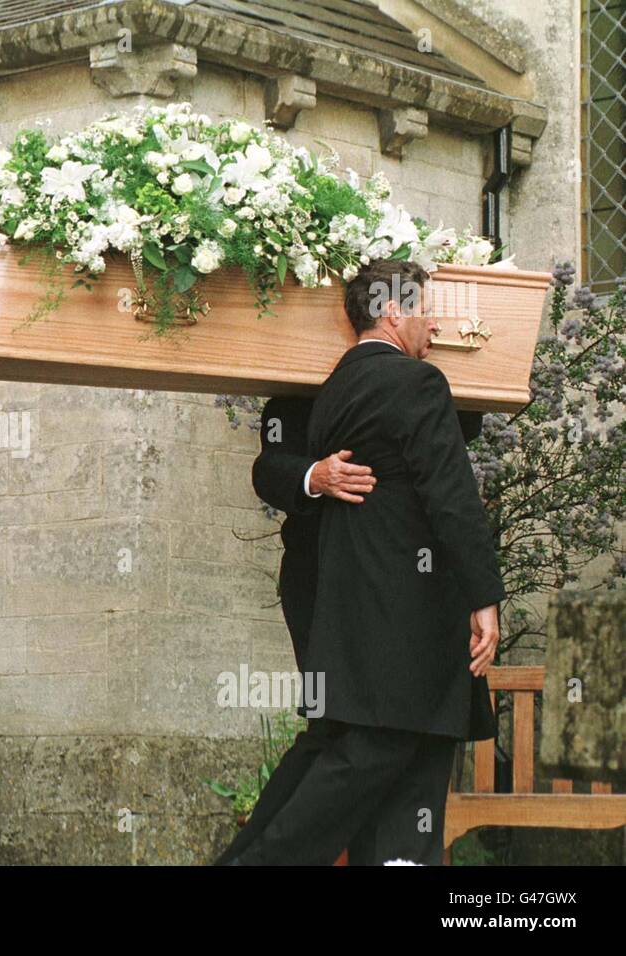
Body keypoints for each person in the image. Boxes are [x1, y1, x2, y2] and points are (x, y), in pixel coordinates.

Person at [228, 259, 503, 866]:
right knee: (373, 748)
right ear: (393, 309)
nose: (437, 328)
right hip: (406, 610)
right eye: (427, 310)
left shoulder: (334, 393)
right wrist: (485, 596)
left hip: (358, 603)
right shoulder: (412, 384)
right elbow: (452, 497)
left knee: (389, 752)